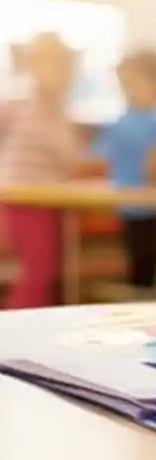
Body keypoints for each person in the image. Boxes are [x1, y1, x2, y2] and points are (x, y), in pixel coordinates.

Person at [0, 33, 84, 309]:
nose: (58, 73)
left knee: (47, 271)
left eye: (63, 66)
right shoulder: (16, 106)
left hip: (49, 199)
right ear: (32, 66)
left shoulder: (61, 112)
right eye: (49, 64)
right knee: (38, 271)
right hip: (21, 197)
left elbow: (68, 158)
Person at [82, 50, 156, 291]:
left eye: (134, 83)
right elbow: (97, 160)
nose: (128, 90)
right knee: (138, 260)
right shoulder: (120, 123)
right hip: (128, 205)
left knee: (154, 262)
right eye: (124, 84)